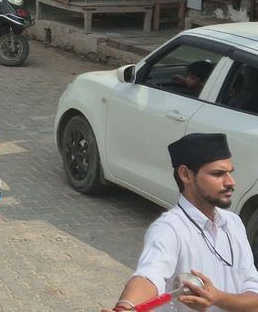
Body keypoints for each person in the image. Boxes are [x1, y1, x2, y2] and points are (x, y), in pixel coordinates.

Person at [104, 133, 258, 312]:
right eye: (218, 174)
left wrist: (217, 298)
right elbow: (149, 276)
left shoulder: (233, 223)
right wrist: (124, 308)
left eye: (230, 173)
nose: (231, 182)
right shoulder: (169, 228)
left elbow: (254, 297)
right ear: (186, 175)